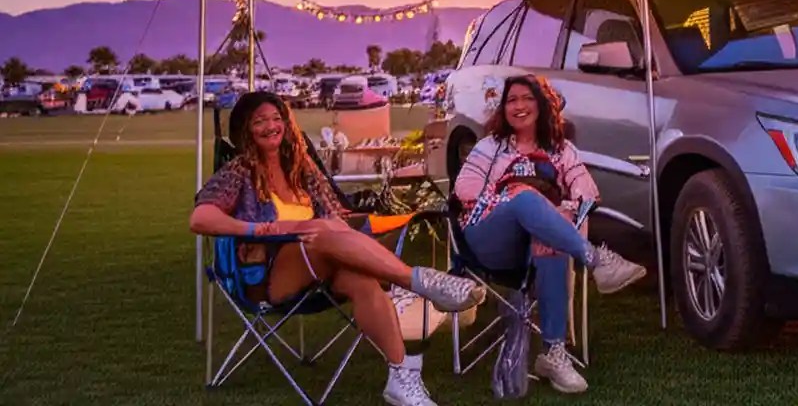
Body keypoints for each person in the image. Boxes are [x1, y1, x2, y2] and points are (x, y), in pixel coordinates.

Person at [190, 91, 481, 406]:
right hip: (269, 275)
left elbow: (337, 218)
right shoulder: (239, 171)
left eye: (276, 119)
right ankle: (416, 281)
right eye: (259, 121)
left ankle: (401, 378)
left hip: (321, 264)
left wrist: (359, 227)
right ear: (245, 129)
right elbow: (201, 218)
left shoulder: (301, 168)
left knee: (362, 279)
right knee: (321, 229)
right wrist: (257, 229)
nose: (270, 126)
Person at [455, 74, 647, 394]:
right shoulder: (490, 146)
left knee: (550, 239)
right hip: (488, 237)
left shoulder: (561, 150)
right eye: (512, 100)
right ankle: (595, 259)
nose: (519, 106)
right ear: (503, 109)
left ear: (542, 105)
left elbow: (587, 193)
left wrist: (564, 210)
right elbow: (465, 189)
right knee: (526, 198)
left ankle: (553, 353)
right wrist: (518, 197)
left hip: (537, 246)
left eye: (527, 99)